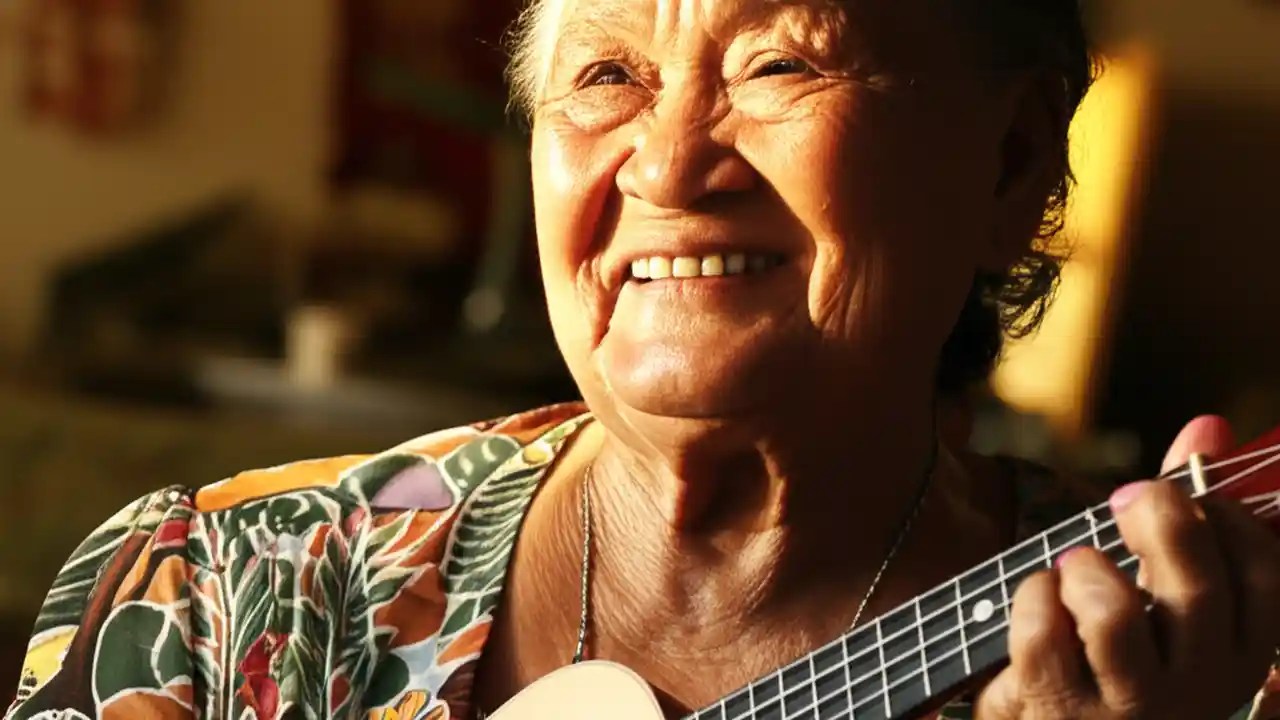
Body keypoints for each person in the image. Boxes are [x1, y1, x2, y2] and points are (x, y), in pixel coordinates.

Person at [7, 0, 1279, 718]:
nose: (667, 165)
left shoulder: (1201, 668)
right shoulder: (212, 603)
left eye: (777, 64)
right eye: (606, 75)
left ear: (1010, 162)